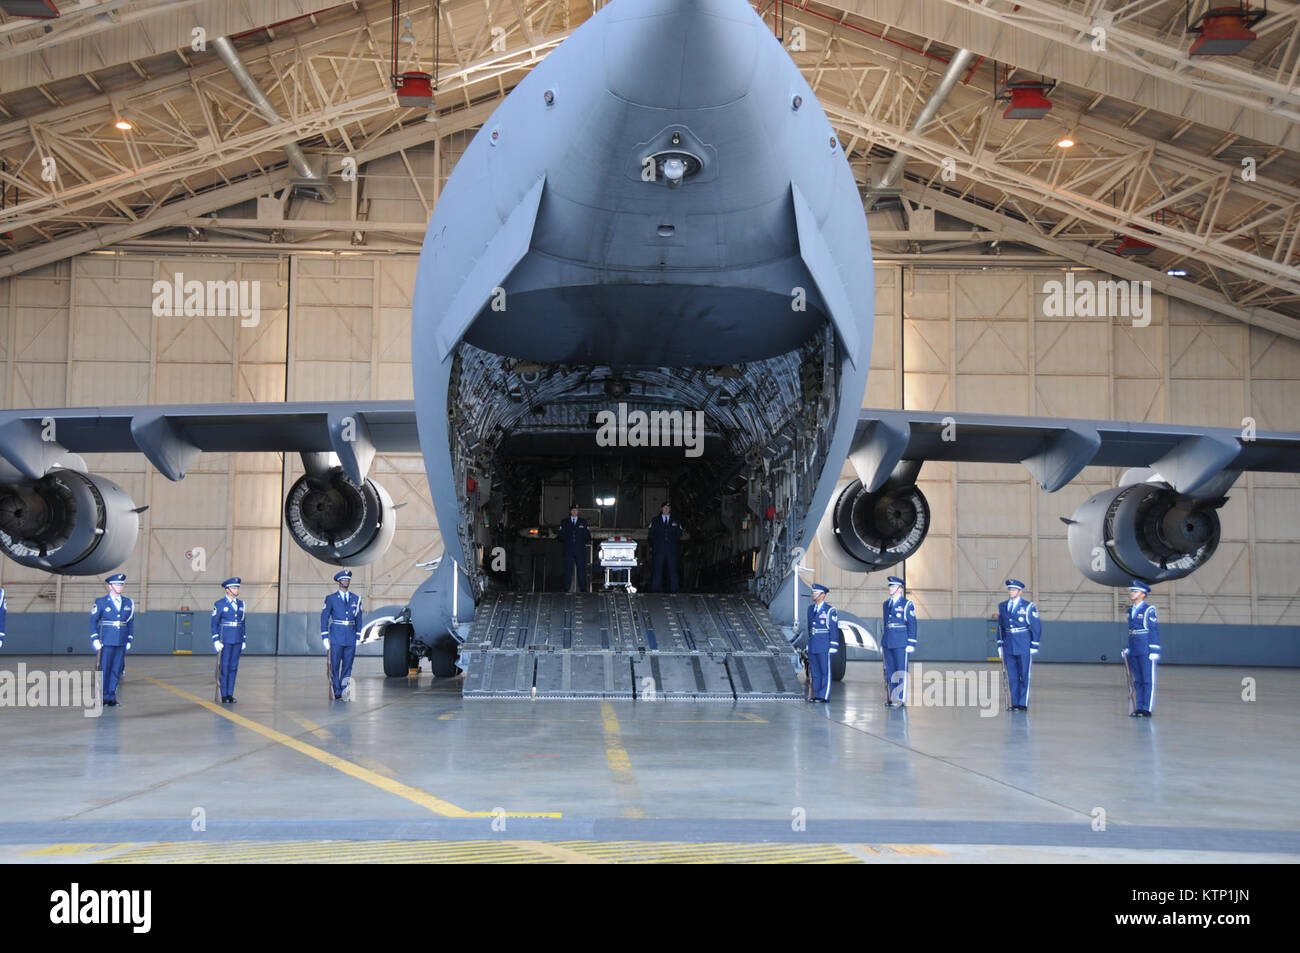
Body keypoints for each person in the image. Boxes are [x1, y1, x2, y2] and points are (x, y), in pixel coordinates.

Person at [997, 578, 1042, 711]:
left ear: (1020, 591)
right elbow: (1000, 626)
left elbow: (1036, 626)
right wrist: (1000, 644)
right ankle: (1015, 703)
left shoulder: (1028, 606)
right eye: (1010, 589)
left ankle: (1023, 704)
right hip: (1008, 644)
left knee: (1024, 674)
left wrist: (1034, 644)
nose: (1011, 591)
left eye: (1014, 589)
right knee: (1013, 676)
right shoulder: (1003, 606)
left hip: (1023, 643)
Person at [90, 573, 133, 707]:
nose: (120, 587)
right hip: (107, 641)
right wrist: (95, 638)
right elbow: (93, 621)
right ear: (110, 586)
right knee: (105, 669)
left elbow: (130, 622)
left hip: (121, 641)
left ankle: (111, 696)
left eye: (121, 584)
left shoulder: (128, 603)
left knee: (116, 669)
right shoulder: (101, 602)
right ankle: (102, 697)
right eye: (117, 584)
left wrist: (130, 639)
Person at [321, 569, 363, 700]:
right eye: (344, 579)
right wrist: (325, 636)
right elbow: (324, 618)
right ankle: (336, 690)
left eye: (348, 579)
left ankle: (345, 690)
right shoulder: (331, 599)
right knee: (334, 665)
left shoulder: (356, 599)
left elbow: (359, 619)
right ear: (339, 581)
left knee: (348, 665)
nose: (346, 581)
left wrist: (358, 636)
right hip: (336, 636)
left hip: (350, 636)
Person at [1124, 580, 1160, 717]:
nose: (1132, 593)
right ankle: (1139, 707)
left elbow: (1153, 630)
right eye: (1132, 591)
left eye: (1135, 591)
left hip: (1146, 648)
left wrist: (1154, 650)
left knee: (1147, 679)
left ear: (1143, 594)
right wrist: (1128, 648)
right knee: (1137, 680)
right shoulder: (1130, 610)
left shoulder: (1149, 610)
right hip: (1134, 648)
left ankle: (1147, 708)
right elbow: (1131, 631)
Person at [882, 575, 917, 706]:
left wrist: (911, 642)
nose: (890, 588)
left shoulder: (907, 604)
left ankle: (900, 699)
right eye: (890, 586)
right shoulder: (886, 604)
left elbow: (912, 624)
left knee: (900, 670)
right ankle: (893, 697)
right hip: (888, 641)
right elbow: (886, 623)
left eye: (893, 586)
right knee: (890, 671)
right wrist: (884, 641)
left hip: (901, 642)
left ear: (900, 589)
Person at [211, 577, 246, 704]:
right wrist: (215, 640)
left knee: (233, 667)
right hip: (225, 640)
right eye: (234, 587)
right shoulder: (219, 604)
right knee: (224, 667)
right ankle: (224, 694)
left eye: (237, 587)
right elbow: (214, 623)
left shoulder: (241, 604)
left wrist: (243, 639)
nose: (237, 590)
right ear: (227, 590)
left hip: (237, 639)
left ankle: (230, 694)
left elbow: (243, 623)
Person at [806, 583, 837, 703]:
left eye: (816, 592)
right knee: (815, 671)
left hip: (824, 644)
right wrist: (809, 642)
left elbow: (833, 629)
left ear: (823, 595)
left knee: (824, 671)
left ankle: (824, 695)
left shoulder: (829, 610)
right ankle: (816, 694)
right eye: (813, 592)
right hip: (814, 644)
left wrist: (833, 645)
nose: (813, 594)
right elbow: (810, 627)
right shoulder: (810, 609)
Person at [648, 501, 683, 592]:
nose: (666, 509)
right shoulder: (655, 520)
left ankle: (674, 588)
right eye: (664, 507)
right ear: (661, 509)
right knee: (657, 568)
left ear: (670, 509)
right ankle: (656, 587)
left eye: (668, 507)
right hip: (659, 548)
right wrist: (654, 545)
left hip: (671, 549)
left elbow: (679, 534)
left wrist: (673, 541)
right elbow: (651, 534)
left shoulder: (675, 521)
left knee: (672, 568)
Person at [557, 503, 591, 593]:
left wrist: (580, 542)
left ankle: (583, 588)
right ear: (570, 511)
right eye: (573, 510)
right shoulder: (565, 522)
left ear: (578, 511)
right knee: (567, 569)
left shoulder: (583, 522)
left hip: (579, 550)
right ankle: (566, 588)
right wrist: (568, 542)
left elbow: (587, 536)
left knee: (581, 569)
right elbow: (560, 536)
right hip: (568, 550)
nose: (574, 511)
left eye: (576, 510)